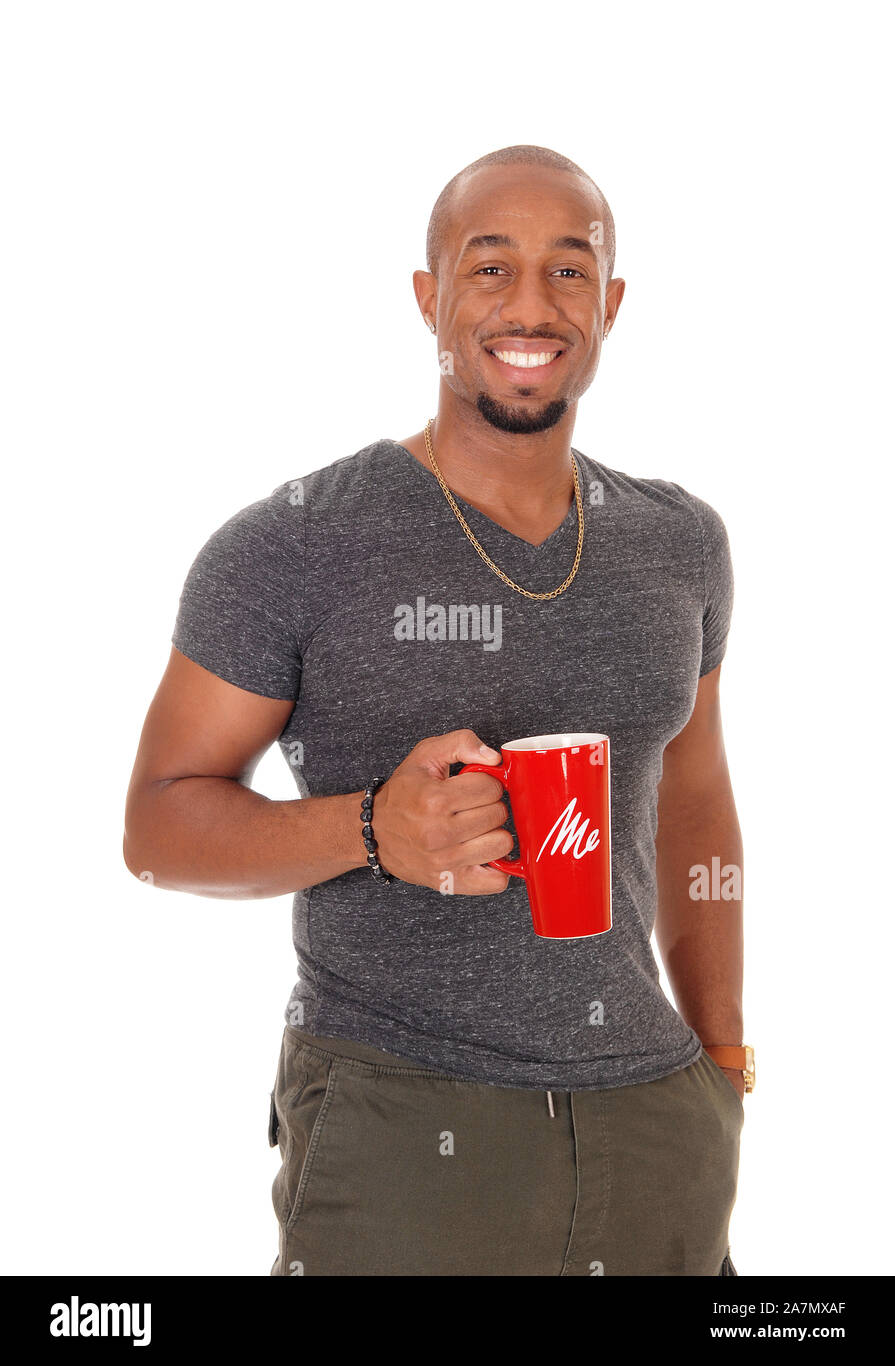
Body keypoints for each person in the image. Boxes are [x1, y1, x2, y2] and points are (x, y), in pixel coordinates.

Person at [123, 145, 752, 1277]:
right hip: (403, 1127)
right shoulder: (295, 544)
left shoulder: (678, 540)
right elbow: (158, 829)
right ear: (429, 298)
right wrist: (369, 827)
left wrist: (718, 1051)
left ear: (608, 305)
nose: (528, 306)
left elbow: (696, 792)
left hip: (656, 1127)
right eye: (488, 267)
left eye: (569, 272)